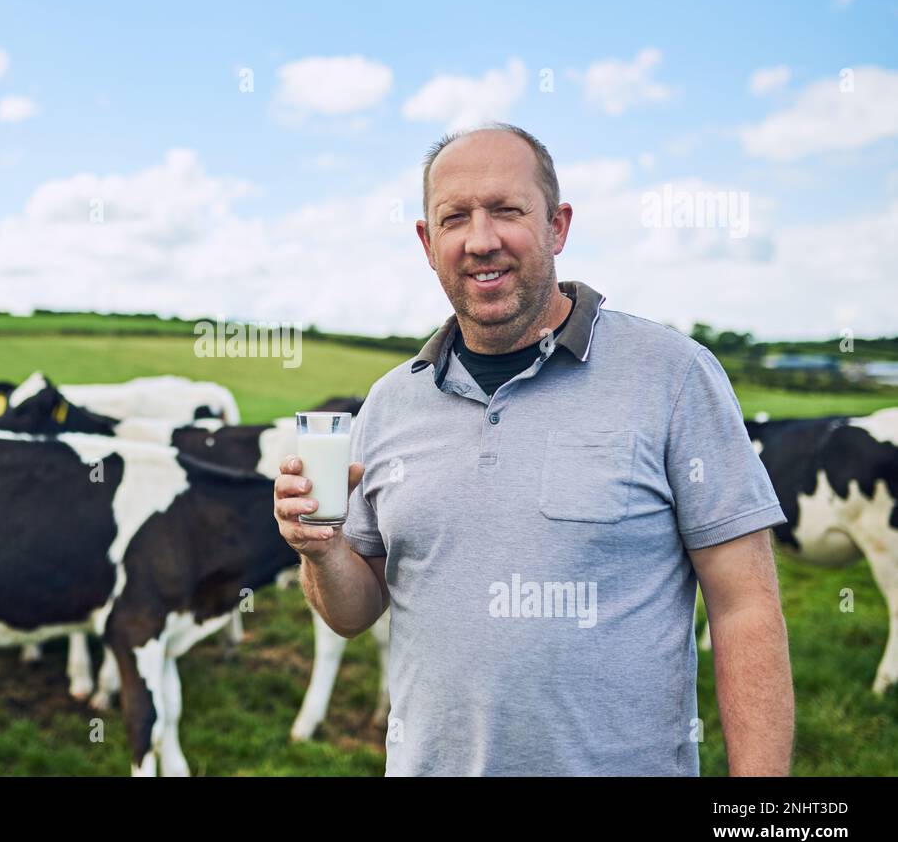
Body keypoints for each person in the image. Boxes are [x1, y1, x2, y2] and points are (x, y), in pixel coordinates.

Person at [273, 123, 794, 776]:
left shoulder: (673, 375)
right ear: (427, 243)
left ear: (557, 226)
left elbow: (745, 606)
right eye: (455, 217)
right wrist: (322, 551)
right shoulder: (388, 404)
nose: (481, 238)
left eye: (507, 210)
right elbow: (354, 611)